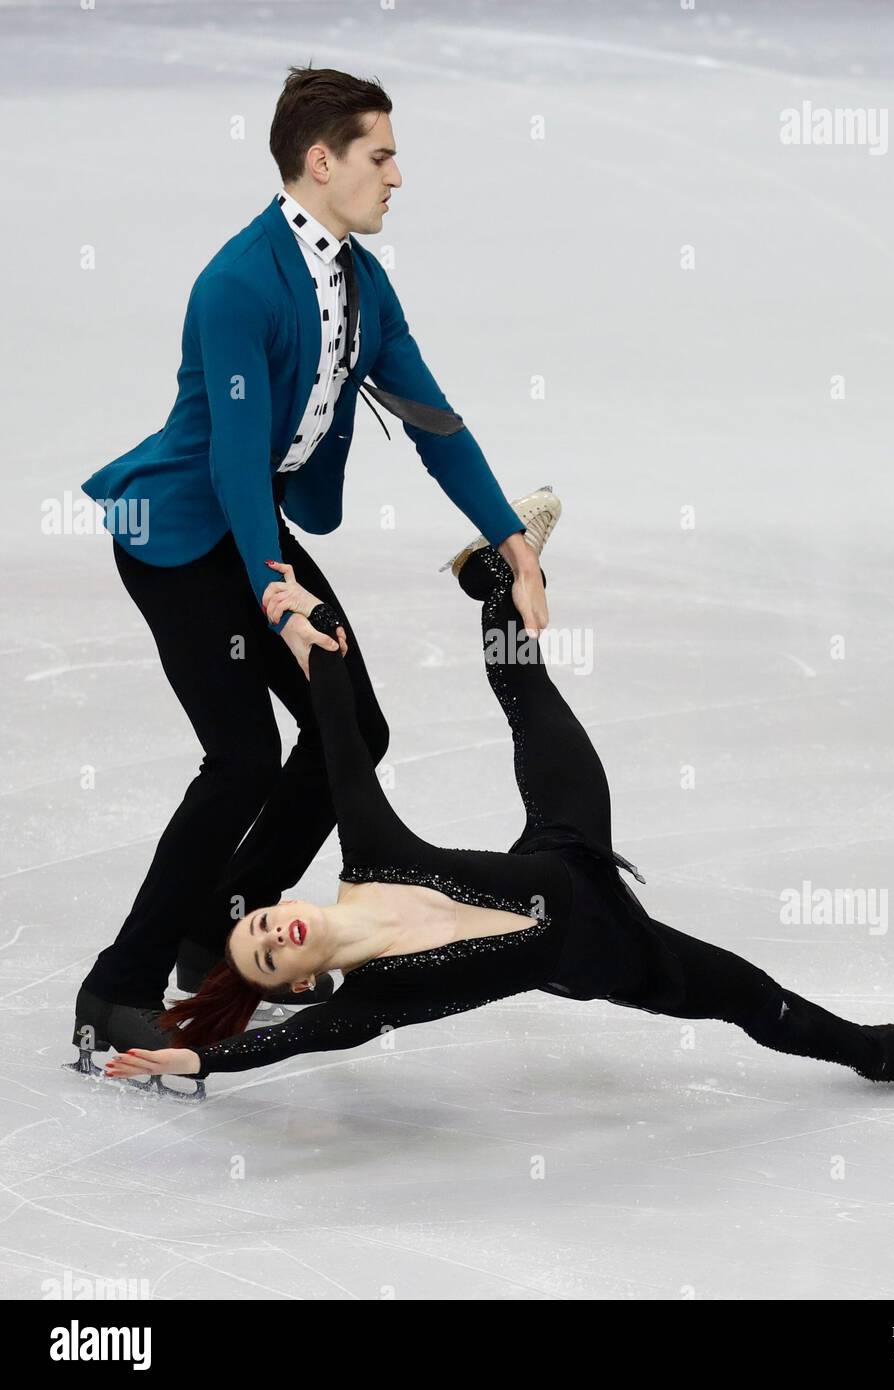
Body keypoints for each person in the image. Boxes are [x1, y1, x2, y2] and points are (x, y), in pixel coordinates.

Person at [101, 501, 894, 1097]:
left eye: (258, 924)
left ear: (283, 906)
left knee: (534, 701)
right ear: (297, 980)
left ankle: (491, 584)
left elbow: (342, 753)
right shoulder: (369, 1001)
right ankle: (893, 1053)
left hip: (568, 847)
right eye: (265, 959)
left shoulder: (371, 859)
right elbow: (286, 1046)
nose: (269, 934)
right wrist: (198, 1058)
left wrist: (313, 641)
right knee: (755, 1003)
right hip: (613, 957)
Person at [74, 65, 548, 1055]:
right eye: (380, 155)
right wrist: (271, 585)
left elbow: (432, 420)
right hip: (179, 536)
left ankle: (218, 923)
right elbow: (234, 454)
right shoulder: (239, 281)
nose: (397, 176)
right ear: (321, 160)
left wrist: (507, 532)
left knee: (354, 732)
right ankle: (115, 984)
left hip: (249, 534)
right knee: (241, 756)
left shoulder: (362, 284)